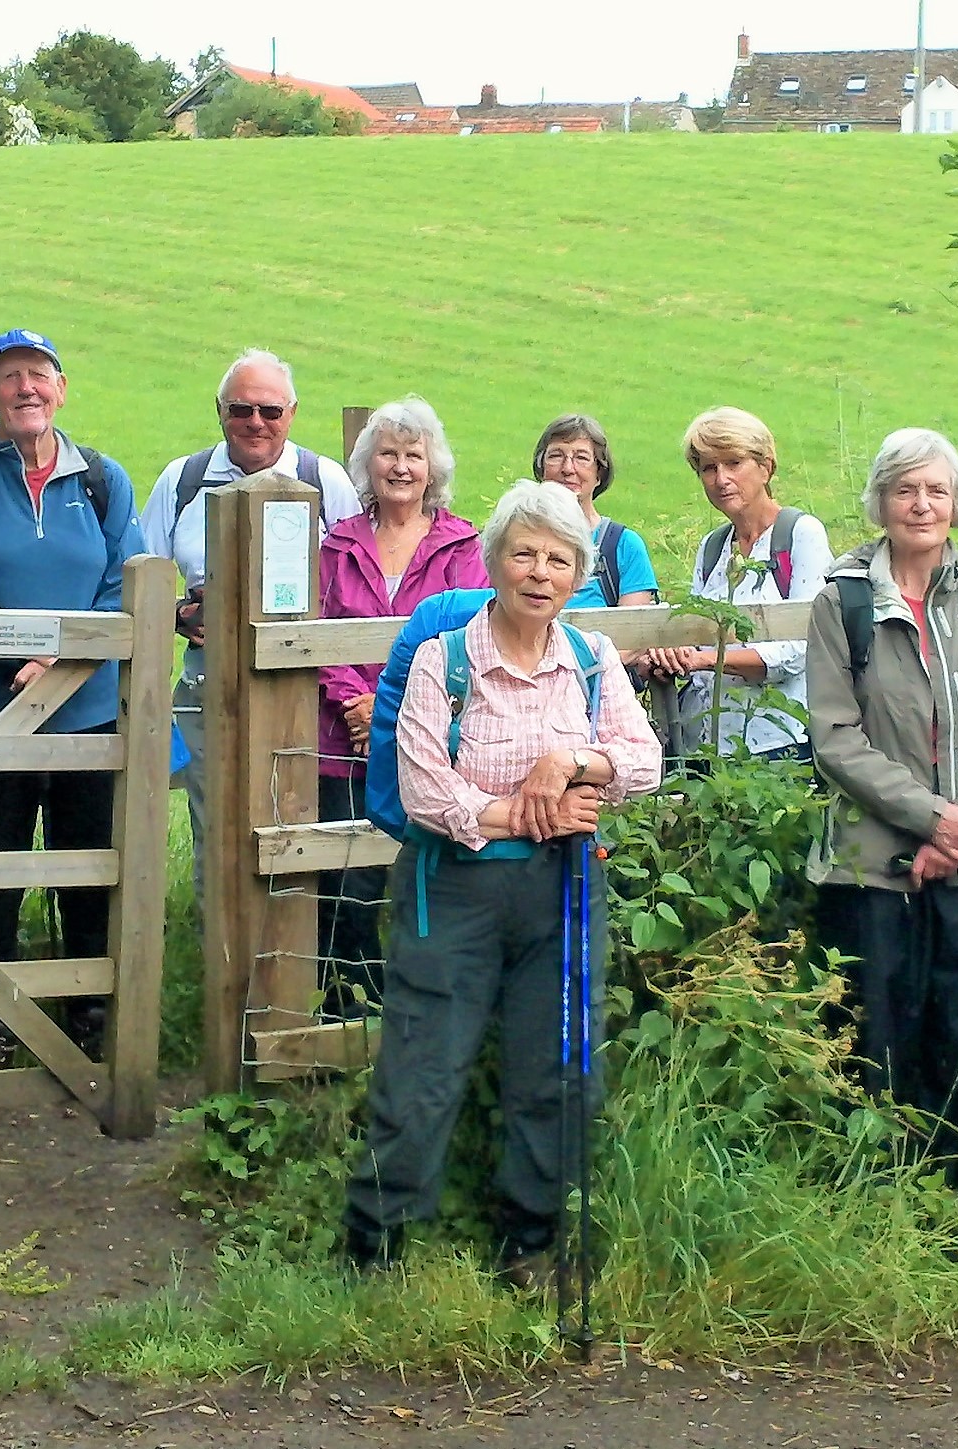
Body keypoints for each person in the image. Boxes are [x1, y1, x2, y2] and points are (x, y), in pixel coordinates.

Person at [342, 479, 661, 1283]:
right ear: (493, 561)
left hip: (562, 889)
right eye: (524, 554)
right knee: (423, 1068)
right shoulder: (444, 659)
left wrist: (574, 761)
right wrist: (531, 813)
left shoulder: (591, 660)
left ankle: (531, 1242)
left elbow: (644, 761)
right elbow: (425, 792)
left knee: (554, 1069)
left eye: (558, 559)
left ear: (577, 574)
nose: (539, 572)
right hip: (451, 888)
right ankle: (376, 1248)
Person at [803, 427, 958, 1218]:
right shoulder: (842, 603)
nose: (921, 504)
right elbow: (836, 737)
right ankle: (874, 1216)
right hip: (871, 865)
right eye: (905, 489)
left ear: (957, 503)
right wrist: (930, 819)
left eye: (937, 489)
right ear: (880, 501)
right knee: (872, 1041)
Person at [0, 330, 141, 1070]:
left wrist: (60, 659)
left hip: (88, 716)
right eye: (9, 377)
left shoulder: (103, 480)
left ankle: (93, 1017)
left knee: (89, 870)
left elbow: (124, 586)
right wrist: (25, 653)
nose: (25, 389)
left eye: (38, 375)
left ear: (61, 389)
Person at [137, 349, 364, 887]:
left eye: (270, 411)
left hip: (305, 687)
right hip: (208, 680)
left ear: (293, 413)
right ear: (219, 411)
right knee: (213, 815)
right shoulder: (183, 479)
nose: (255, 422)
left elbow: (357, 583)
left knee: (295, 811)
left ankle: (296, 928)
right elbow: (142, 576)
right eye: (241, 410)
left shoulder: (324, 479)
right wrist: (177, 614)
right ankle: (215, 930)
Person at [313, 398, 487, 1017]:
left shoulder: (462, 544)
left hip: (431, 737)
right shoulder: (337, 544)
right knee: (345, 880)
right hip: (341, 740)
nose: (401, 466)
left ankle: (428, 1008)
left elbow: (466, 634)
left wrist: (389, 707)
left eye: (414, 454)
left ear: (432, 466)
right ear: (368, 463)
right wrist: (354, 704)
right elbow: (316, 629)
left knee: (427, 874)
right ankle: (348, 1011)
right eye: (388, 453)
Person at [643, 407, 831, 765]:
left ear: (766, 467)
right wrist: (670, 656)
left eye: (733, 463)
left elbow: (799, 648)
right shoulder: (713, 546)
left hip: (780, 746)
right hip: (709, 744)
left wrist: (704, 660)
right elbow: (695, 632)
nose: (721, 479)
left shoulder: (800, 534)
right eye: (708, 468)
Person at [530, 415, 659, 609]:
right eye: (556, 456)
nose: (568, 468)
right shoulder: (515, 539)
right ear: (541, 468)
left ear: (599, 473)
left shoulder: (624, 546)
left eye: (581, 458)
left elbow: (633, 625)